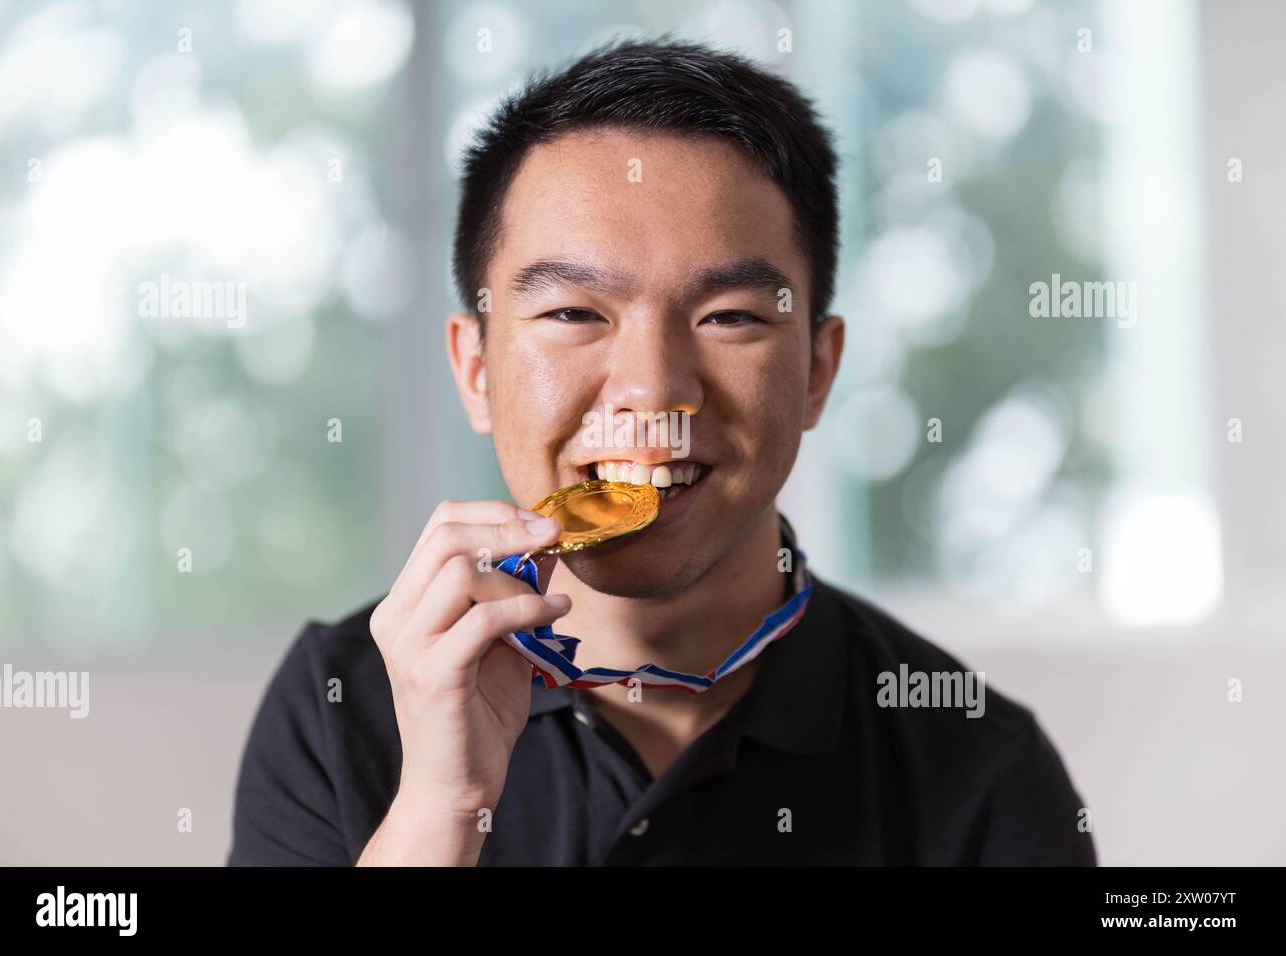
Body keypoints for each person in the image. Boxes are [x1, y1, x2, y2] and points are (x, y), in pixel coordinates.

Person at [227, 37, 1096, 866]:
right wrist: (441, 813)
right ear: (475, 368)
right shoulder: (341, 706)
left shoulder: (980, 767)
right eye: (573, 314)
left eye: (730, 318)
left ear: (818, 371)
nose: (651, 391)